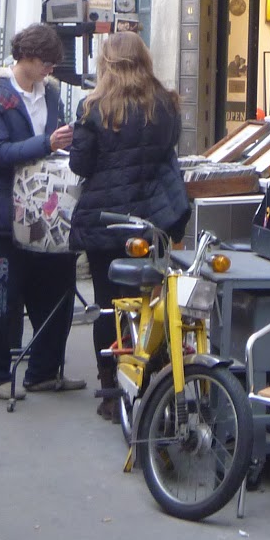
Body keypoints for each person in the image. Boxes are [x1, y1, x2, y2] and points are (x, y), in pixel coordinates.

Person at [68, 32, 189, 419]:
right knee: (150, 302)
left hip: (106, 221)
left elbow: (80, 165)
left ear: (107, 62)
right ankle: (150, 380)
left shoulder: (94, 107)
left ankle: (109, 391)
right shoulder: (166, 105)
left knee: (108, 305)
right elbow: (166, 151)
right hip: (152, 219)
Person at [0, 24, 84, 399]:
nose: (50, 70)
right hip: (2, 210)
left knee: (57, 290)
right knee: (1, 296)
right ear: (27, 59)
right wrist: (46, 143)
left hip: (46, 210)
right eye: (46, 63)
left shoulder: (50, 97)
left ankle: (44, 371)